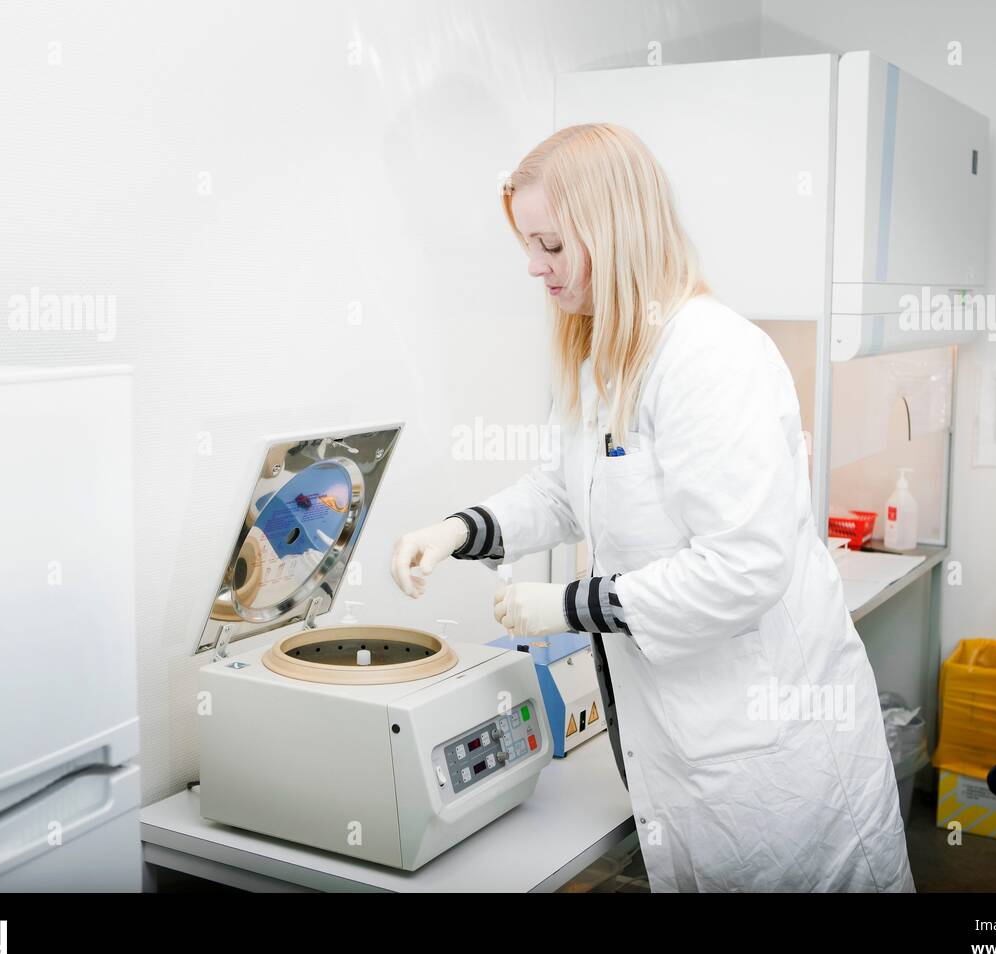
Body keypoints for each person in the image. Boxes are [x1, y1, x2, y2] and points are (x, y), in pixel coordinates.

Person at [390, 123, 913, 893]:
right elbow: (566, 491)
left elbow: (744, 568)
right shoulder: (604, 350)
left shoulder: (709, 356)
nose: (535, 267)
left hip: (773, 771)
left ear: (616, 231)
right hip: (685, 753)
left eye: (553, 246)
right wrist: (460, 529)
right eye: (528, 246)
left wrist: (570, 605)